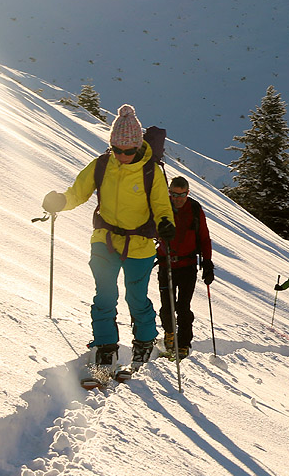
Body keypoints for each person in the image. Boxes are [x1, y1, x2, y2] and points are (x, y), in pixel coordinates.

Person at [41, 104, 174, 372]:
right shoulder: (101, 165)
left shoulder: (151, 171)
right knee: (104, 294)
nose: (123, 156)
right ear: (111, 146)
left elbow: (161, 206)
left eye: (128, 151)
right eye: (118, 150)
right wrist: (60, 201)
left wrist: (165, 224)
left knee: (136, 298)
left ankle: (145, 342)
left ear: (138, 147)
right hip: (105, 238)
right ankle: (105, 348)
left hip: (140, 244)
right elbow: (77, 193)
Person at [157, 176, 213, 360]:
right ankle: (169, 333)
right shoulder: (162, 208)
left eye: (182, 194)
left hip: (188, 265)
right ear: (169, 193)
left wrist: (207, 262)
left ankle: (183, 343)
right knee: (167, 306)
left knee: (183, 307)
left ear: (187, 193)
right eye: (174, 194)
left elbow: (204, 238)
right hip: (166, 264)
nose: (178, 198)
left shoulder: (195, 209)